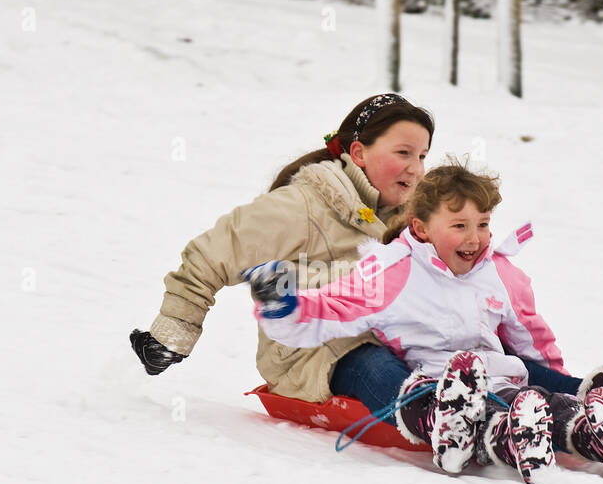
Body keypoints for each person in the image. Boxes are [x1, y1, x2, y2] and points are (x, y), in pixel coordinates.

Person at [245, 164, 603, 484]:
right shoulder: (390, 272)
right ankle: (467, 430)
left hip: (496, 372)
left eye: (484, 224)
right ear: (423, 228)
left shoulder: (498, 270)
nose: (475, 239)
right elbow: (328, 311)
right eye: (460, 226)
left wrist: (560, 379)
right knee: (495, 403)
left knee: (541, 394)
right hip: (434, 381)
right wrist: (282, 307)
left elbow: (529, 332)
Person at [130, 93, 434, 417]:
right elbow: (214, 253)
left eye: (422, 156)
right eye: (404, 153)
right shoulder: (303, 205)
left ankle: (484, 417)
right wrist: (173, 332)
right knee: (377, 366)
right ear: (359, 153)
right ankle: (440, 420)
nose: (416, 169)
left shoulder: (413, 219)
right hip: (310, 353)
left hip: (388, 339)